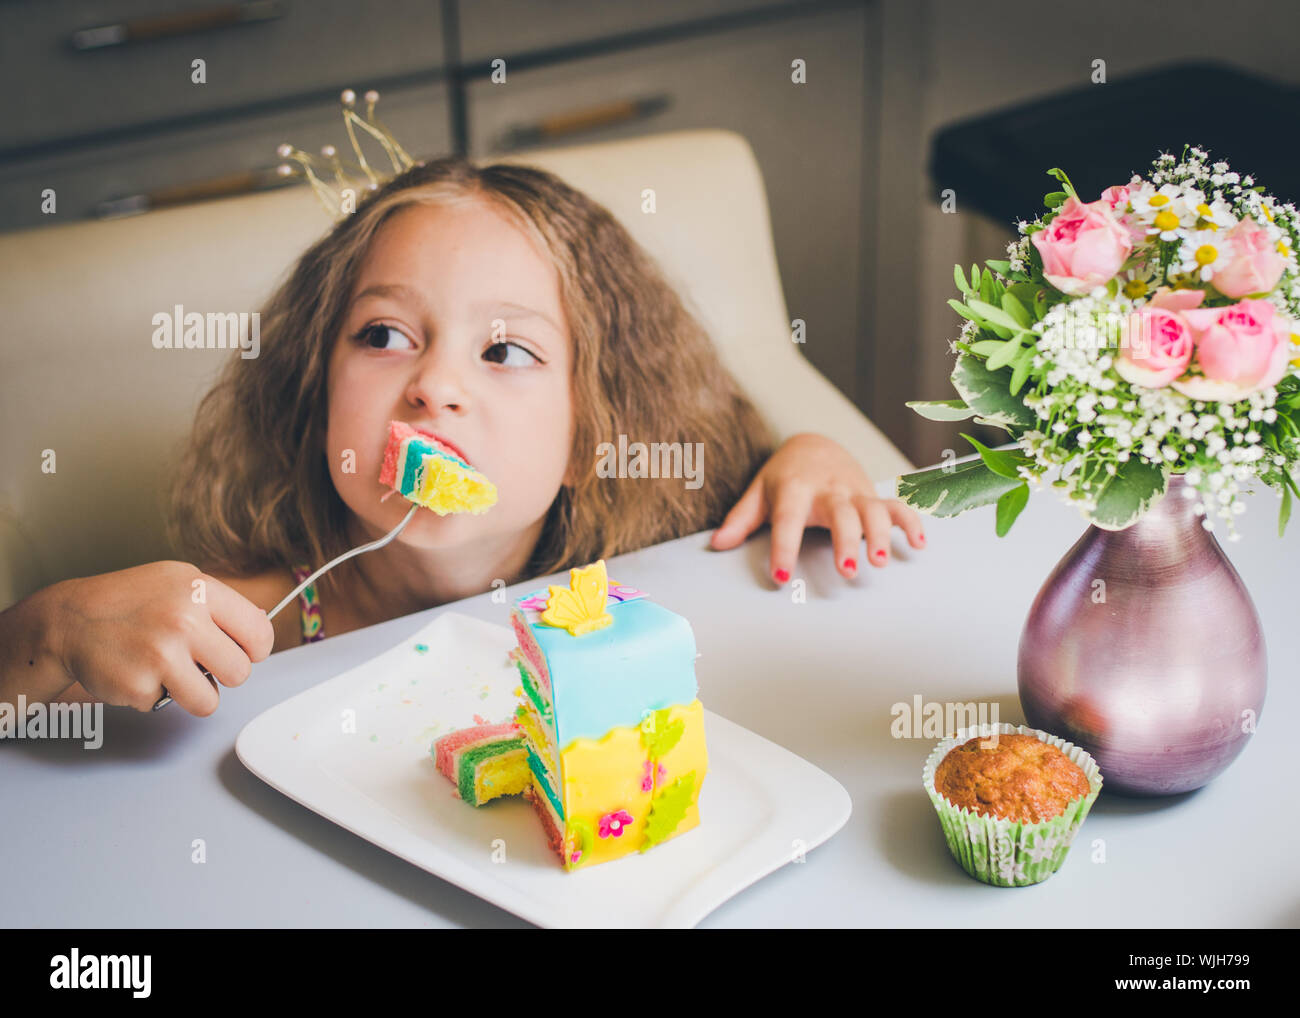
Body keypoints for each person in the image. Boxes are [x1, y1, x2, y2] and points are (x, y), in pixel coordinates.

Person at [0, 157, 925, 715]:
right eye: (385, 336)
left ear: (590, 435)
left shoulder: (647, 563)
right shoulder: (248, 630)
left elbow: (777, 490)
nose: (435, 384)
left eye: (507, 350)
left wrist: (815, 456)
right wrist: (45, 631)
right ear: (313, 394)